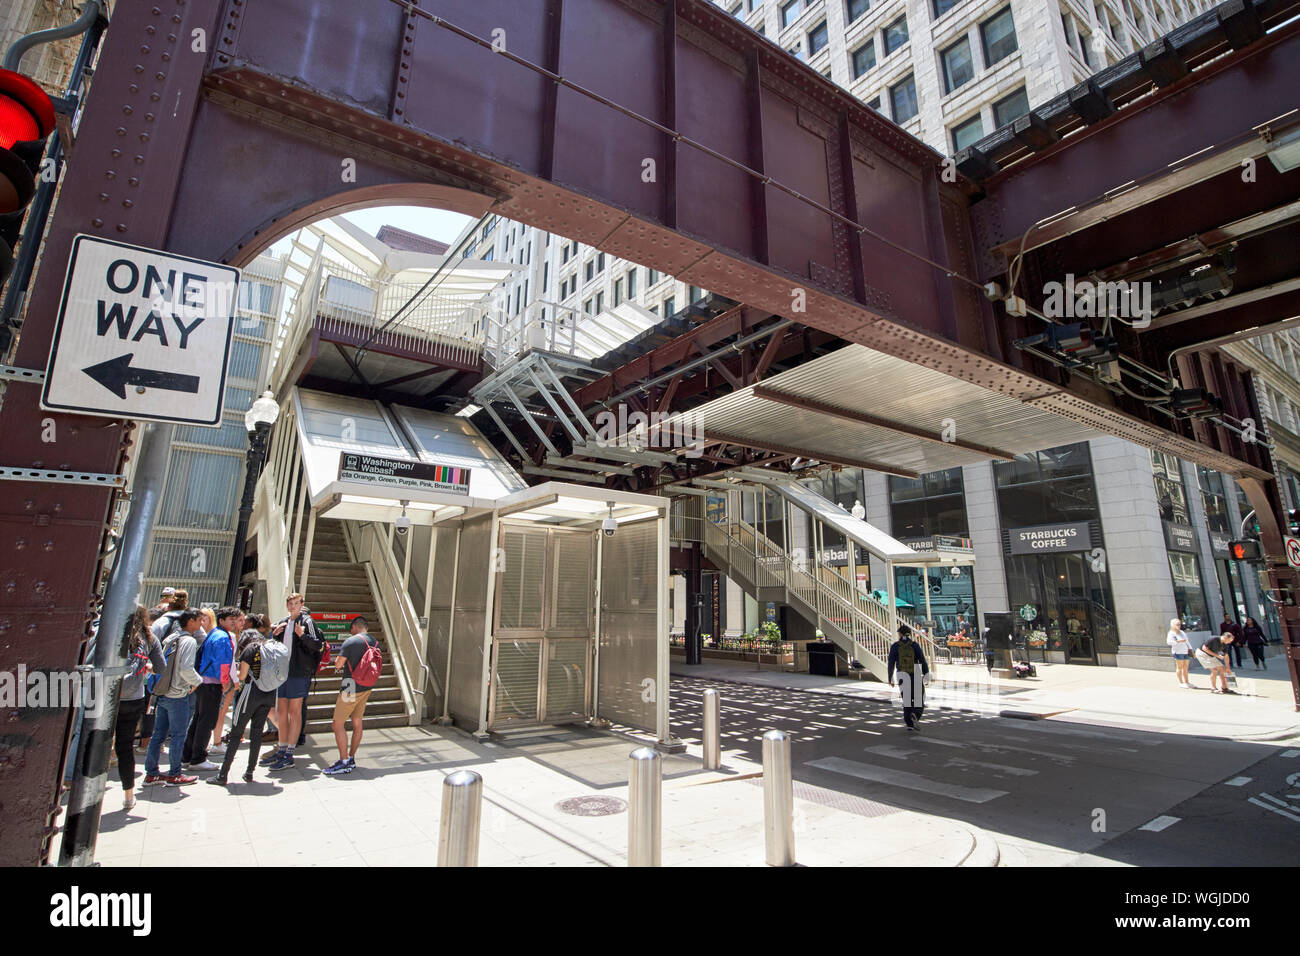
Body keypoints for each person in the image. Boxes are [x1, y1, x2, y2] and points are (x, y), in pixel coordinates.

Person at [210, 626, 281, 786]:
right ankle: (249, 772)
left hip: (250, 693)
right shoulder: (270, 648)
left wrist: (233, 673)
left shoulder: (251, 649)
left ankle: (223, 774)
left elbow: (242, 676)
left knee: (236, 733)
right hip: (269, 693)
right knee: (257, 732)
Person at [143, 609, 204, 785]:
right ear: (191, 621)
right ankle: (175, 774)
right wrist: (197, 681)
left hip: (162, 691)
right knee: (178, 735)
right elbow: (186, 669)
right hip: (177, 694)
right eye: (199, 620)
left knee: (158, 735)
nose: (201, 624)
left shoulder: (171, 638)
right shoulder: (189, 641)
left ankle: (151, 773)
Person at [263, 593, 324, 771]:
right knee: (282, 711)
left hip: (299, 672)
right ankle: (282, 749)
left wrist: (302, 635)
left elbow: (317, 645)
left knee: (294, 711)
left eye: (296, 603)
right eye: (290, 603)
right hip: (283, 672)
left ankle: (289, 753)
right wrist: (275, 636)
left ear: (302, 604)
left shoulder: (307, 622)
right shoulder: (283, 622)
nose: (292, 606)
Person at [115, 605, 166, 810]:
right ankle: (128, 795)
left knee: (97, 742)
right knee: (125, 746)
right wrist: (147, 667)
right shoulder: (149, 638)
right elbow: (161, 667)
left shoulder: (113, 631)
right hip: (133, 698)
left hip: (106, 695)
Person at [182, 606, 239, 771]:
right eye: (231, 619)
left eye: (235, 619)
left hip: (204, 681)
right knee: (206, 721)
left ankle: (187, 756)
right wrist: (225, 681)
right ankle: (198, 758)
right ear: (221, 620)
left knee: (199, 719)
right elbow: (223, 662)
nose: (234, 623)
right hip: (212, 683)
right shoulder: (222, 637)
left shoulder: (214, 634)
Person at [324, 616, 381, 775]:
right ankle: (351, 757)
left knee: (337, 724)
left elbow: (339, 664)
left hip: (350, 686)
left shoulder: (351, 641)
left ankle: (343, 761)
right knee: (357, 722)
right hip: (366, 686)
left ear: (354, 627)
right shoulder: (375, 642)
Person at [887, 623, 930, 731]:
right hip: (915, 673)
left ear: (900, 634)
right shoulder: (914, 645)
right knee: (919, 698)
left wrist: (890, 677)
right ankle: (915, 713)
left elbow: (891, 663)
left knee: (907, 700)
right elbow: (922, 660)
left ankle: (909, 724)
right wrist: (926, 673)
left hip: (902, 675)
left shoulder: (895, 646)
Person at [1166, 617, 1193, 689]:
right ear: (1173, 625)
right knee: (1180, 667)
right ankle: (1181, 682)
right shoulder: (1171, 633)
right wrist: (1178, 641)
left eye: (1179, 624)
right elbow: (1169, 642)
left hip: (1185, 651)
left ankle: (1187, 682)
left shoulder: (1182, 632)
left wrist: (1190, 649)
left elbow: (1187, 641)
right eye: (1177, 624)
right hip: (1178, 652)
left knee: (1186, 667)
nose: (1179, 626)